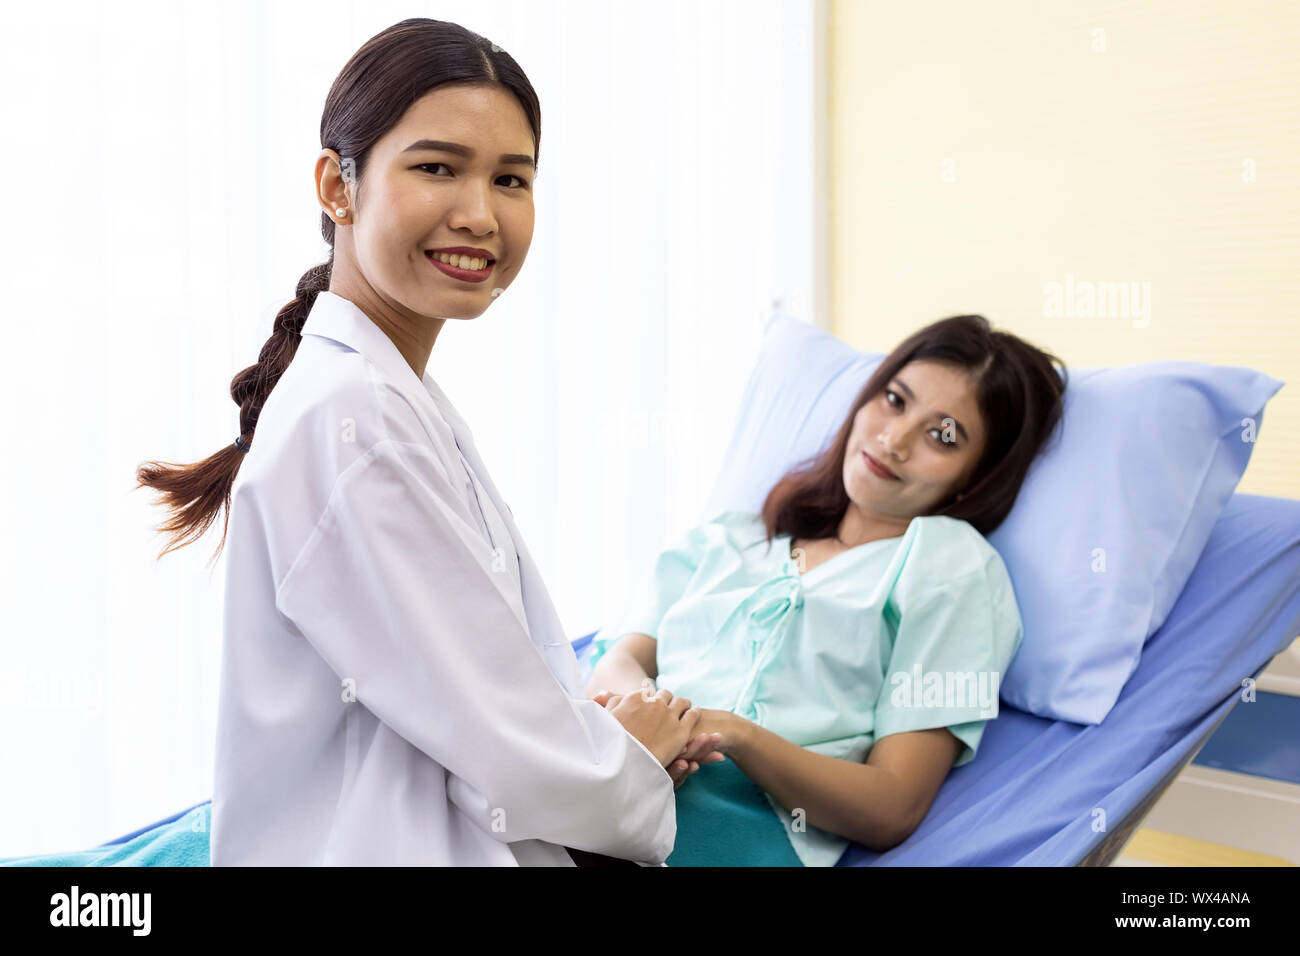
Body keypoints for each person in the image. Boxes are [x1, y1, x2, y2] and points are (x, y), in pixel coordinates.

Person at [135, 18, 720, 866]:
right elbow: (508, 743)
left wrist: (599, 738)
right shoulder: (353, 420)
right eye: (437, 167)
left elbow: (470, 690)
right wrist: (633, 757)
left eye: (511, 179)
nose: (480, 215)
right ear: (338, 188)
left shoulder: (382, 397)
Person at [586, 315, 1069, 866]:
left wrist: (733, 734)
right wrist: (653, 721)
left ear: (977, 477)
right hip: (611, 772)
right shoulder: (733, 535)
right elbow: (615, 658)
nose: (894, 440)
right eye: (894, 399)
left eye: (943, 435)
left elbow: (893, 806)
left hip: (730, 830)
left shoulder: (951, 565)